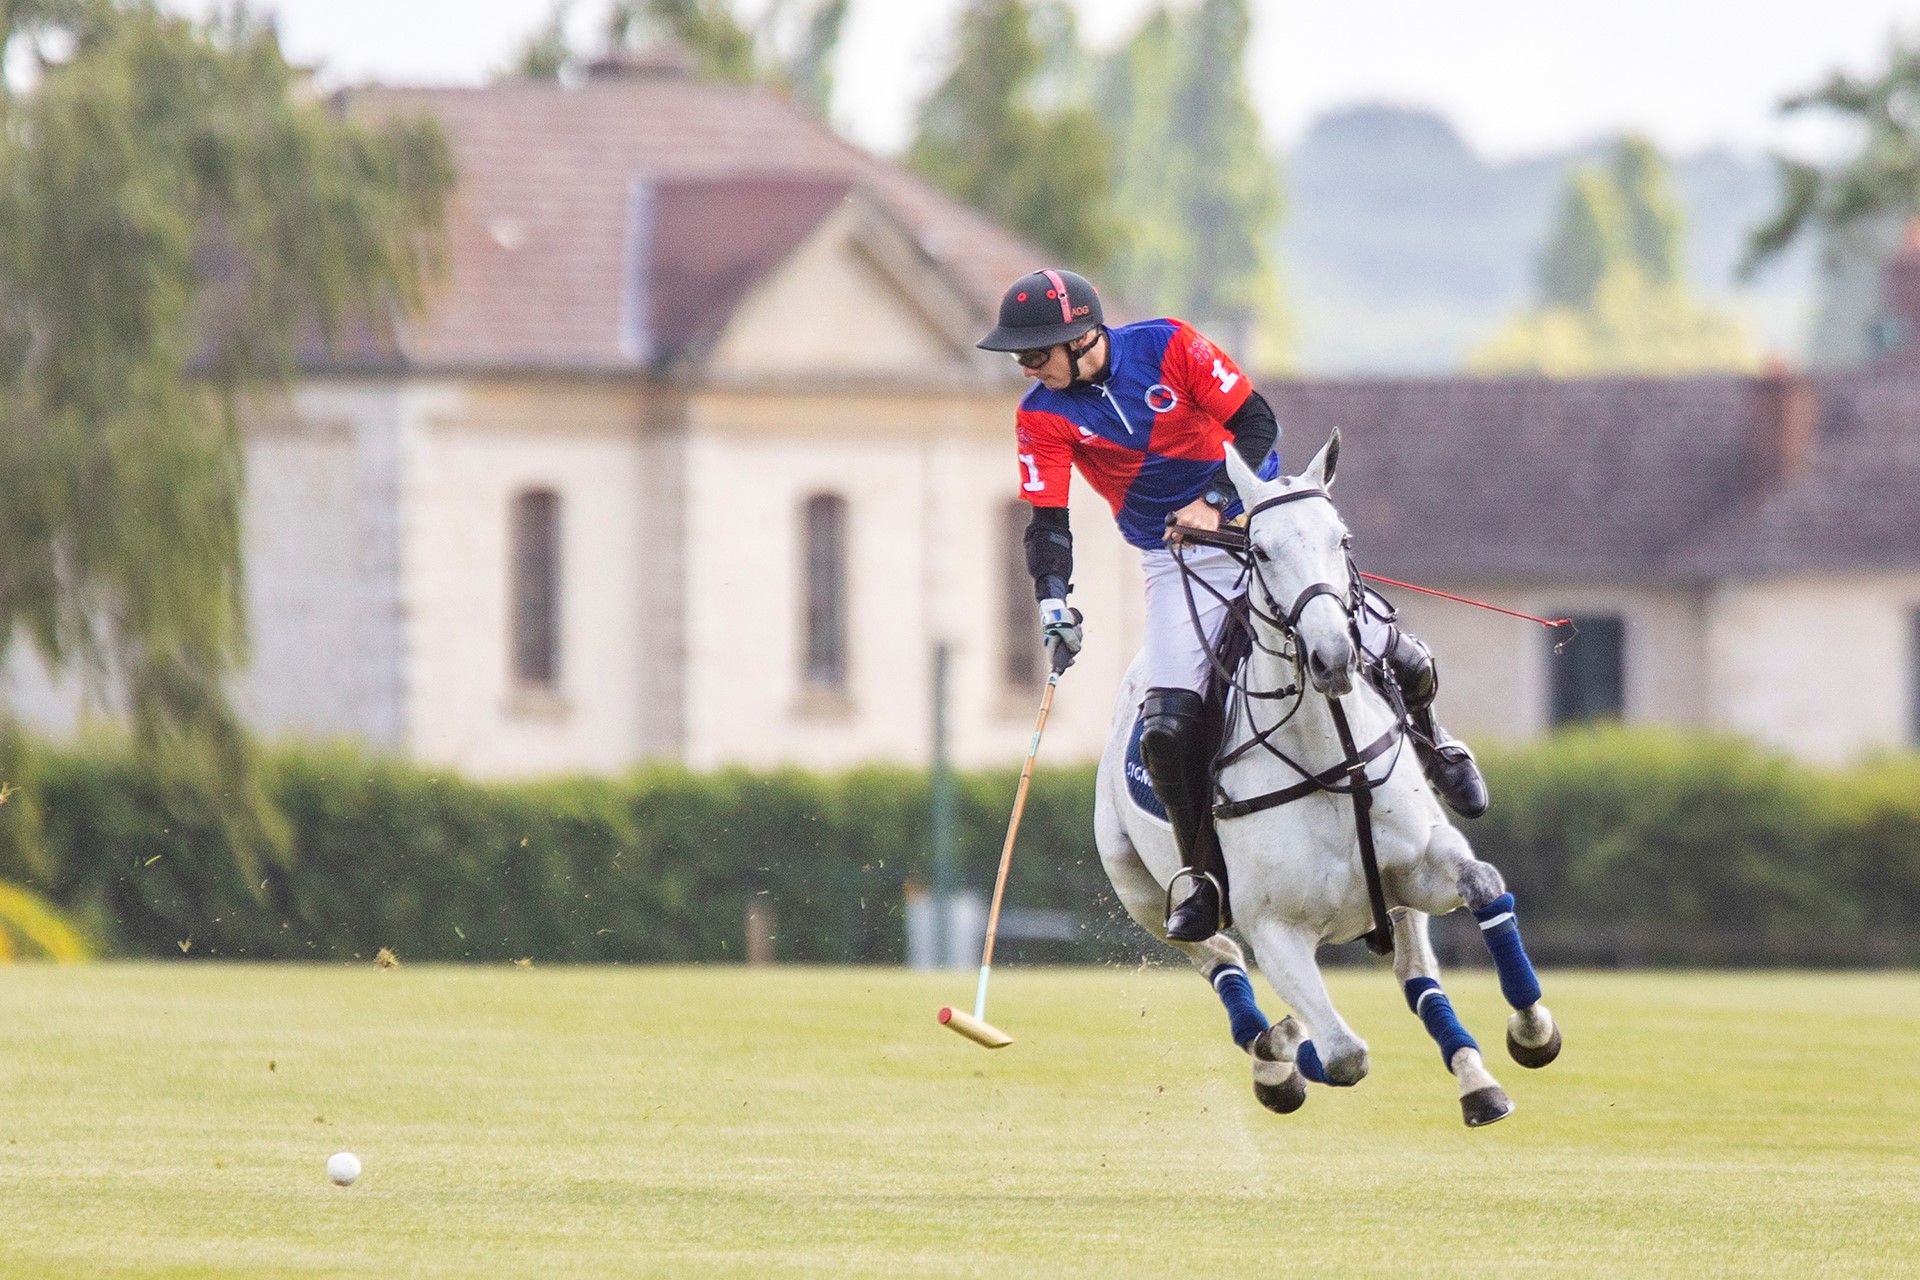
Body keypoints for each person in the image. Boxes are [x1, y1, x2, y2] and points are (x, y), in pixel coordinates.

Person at [977, 268, 1488, 943]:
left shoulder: (1169, 347)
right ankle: (1200, 876)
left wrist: (1215, 497)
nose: (1026, 367)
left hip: (1265, 532)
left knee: (1397, 651)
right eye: (1020, 357)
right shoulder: (1042, 414)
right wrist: (1051, 604)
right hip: (1175, 565)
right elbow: (1048, 521)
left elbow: (1257, 422)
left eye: (1036, 354)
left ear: (1084, 337)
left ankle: (1437, 743)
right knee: (1164, 728)